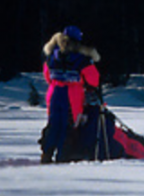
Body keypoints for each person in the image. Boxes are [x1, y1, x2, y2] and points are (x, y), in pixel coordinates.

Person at [40, 26, 100, 164]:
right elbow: (93, 79)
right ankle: (63, 155)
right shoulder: (82, 59)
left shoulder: (51, 56)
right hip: (72, 95)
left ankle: (46, 154)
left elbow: (47, 76)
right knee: (69, 124)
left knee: (53, 123)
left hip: (54, 92)